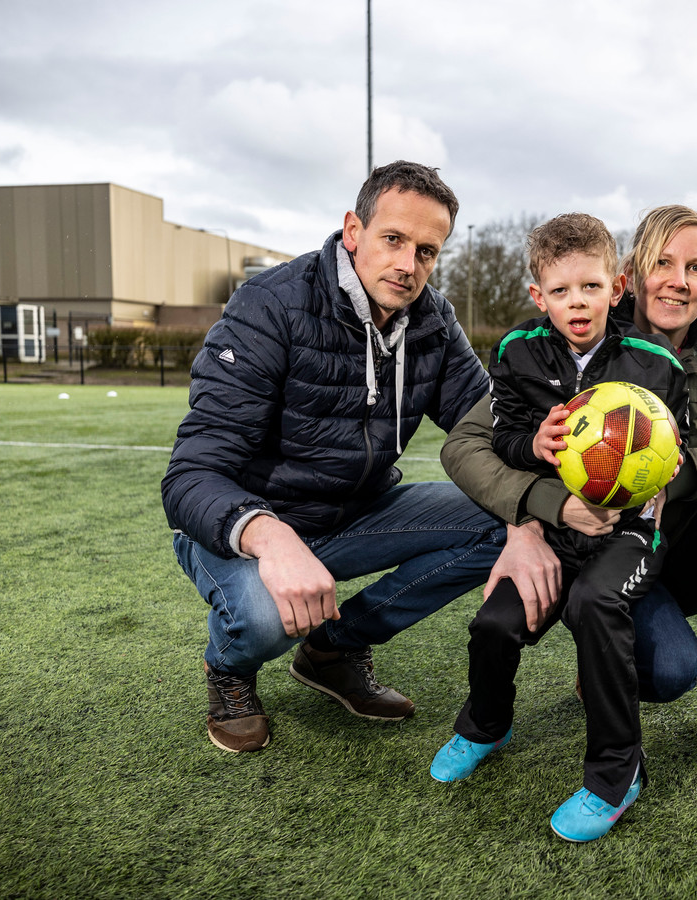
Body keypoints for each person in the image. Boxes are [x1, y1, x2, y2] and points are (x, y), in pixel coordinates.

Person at [161, 160, 543, 754]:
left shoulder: (432, 320)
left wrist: (534, 501)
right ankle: (229, 670)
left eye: (426, 251)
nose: (408, 264)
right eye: (393, 239)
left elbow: (492, 424)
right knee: (265, 618)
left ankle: (331, 649)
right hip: (247, 527)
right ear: (353, 230)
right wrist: (271, 537)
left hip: (356, 512)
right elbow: (191, 474)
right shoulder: (270, 305)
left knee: (506, 518)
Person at [441, 204, 697, 798]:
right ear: (630, 277)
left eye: (696, 267)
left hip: (672, 545)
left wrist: (684, 472)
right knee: (661, 670)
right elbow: (471, 444)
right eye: (663, 263)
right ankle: (565, 678)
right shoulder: (565, 340)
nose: (678, 281)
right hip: (591, 542)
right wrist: (531, 515)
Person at [428, 213, 688, 843]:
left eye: (591, 287)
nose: (578, 302)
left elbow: (680, 453)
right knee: (494, 623)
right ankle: (486, 725)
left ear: (617, 288)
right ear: (538, 295)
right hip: (550, 529)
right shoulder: (515, 352)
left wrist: (666, 464)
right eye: (562, 290)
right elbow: (503, 438)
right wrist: (534, 445)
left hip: (629, 532)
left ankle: (618, 773)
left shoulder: (656, 363)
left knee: (595, 604)